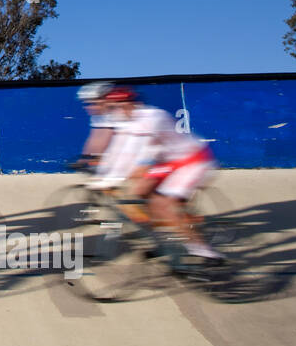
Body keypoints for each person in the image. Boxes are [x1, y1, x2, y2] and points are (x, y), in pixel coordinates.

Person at [89, 87, 221, 261]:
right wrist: (102, 175)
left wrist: (113, 178)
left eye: (119, 106)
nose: (116, 111)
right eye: (113, 107)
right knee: (139, 194)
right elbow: (118, 151)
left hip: (192, 160)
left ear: (132, 104)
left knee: (162, 203)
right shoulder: (126, 121)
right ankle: (164, 240)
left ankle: (202, 250)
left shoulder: (153, 117)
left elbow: (137, 153)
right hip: (168, 163)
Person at [75, 81, 116, 167]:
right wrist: (84, 157)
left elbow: (106, 138)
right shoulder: (97, 115)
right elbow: (94, 138)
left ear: (104, 101)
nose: (87, 107)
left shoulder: (116, 114)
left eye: (92, 103)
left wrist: (96, 158)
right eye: (85, 104)